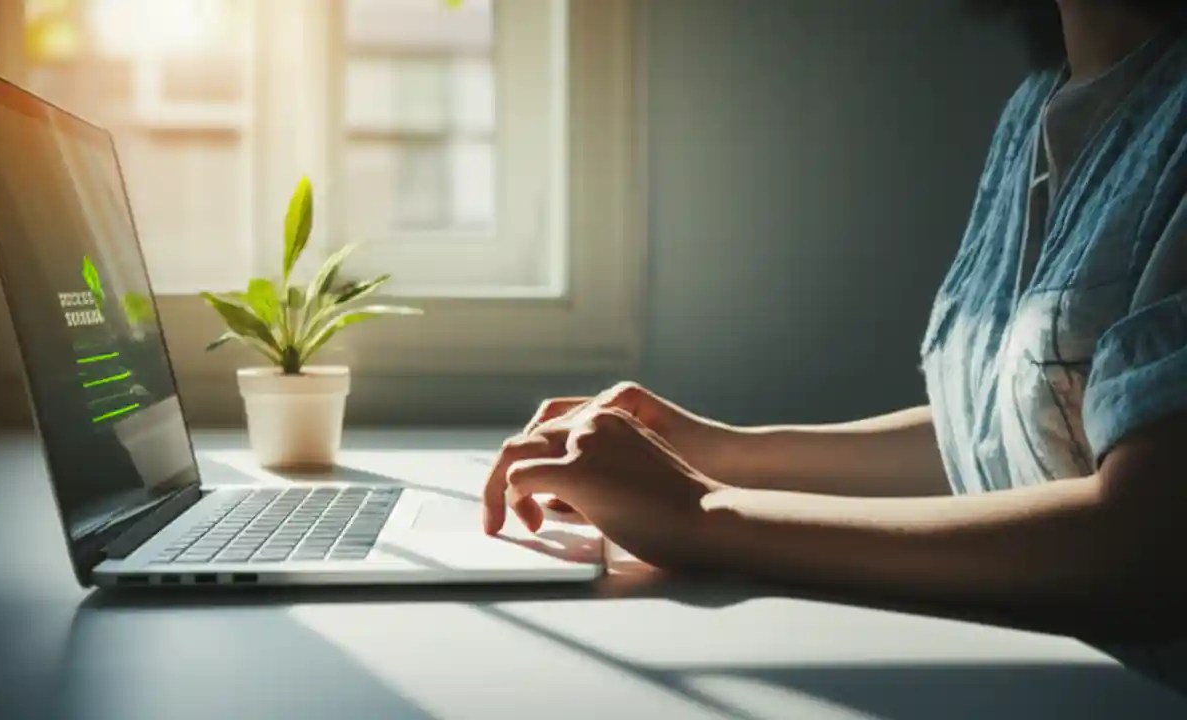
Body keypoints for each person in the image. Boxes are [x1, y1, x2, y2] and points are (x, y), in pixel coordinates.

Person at [483, 0, 1187, 667]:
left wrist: (704, 511)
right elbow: (1001, 446)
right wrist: (718, 452)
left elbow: (1141, 539)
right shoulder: (1038, 107)